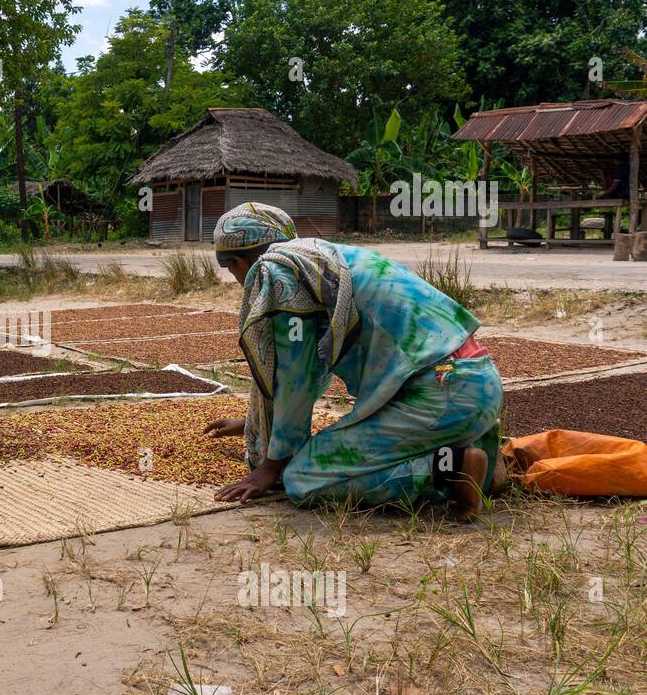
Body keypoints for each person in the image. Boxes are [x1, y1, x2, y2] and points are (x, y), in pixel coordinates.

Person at [204, 203, 504, 520]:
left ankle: (449, 469)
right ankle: (484, 459)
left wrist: (269, 467)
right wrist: (253, 425)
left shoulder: (278, 272)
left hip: (437, 397)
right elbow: (315, 368)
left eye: (229, 268)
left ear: (237, 261)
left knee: (301, 477)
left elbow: (298, 380)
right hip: (477, 386)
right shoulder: (324, 258)